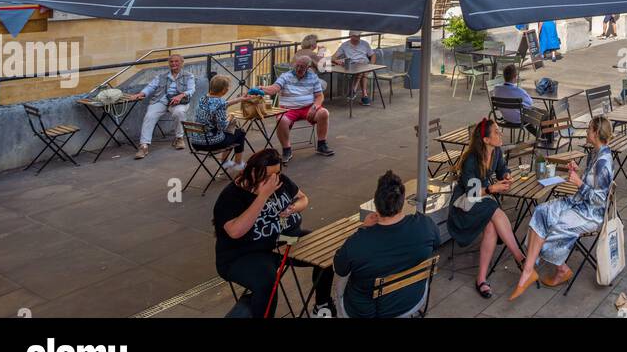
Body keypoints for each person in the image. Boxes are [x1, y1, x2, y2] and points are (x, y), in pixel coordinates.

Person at [212, 148, 332, 317]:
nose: (274, 180)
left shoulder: (278, 181)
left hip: (283, 239)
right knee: (266, 281)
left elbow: (303, 199)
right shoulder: (232, 196)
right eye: (267, 176)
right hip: (244, 253)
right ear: (253, 172)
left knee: (325, 251)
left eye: (277, 174)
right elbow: (235, 232)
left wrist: (293, 208)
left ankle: (322, 305)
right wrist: (262, 196)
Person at [509, 115, 615, 298]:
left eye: (589, 128)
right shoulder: (595, 153)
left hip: (592, 214)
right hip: (579, 203)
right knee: (541, 211)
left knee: (555, 225)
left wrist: (579, 183)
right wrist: (579, 172)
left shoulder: (604, 162)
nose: (586, 132)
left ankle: (559, 269)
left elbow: (600, 200)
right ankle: (529, 271)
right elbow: (592, 180)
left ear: (596, 133)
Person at [333, 170, 441, 318]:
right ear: (401, 202)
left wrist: (363, 228)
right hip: (412, 300)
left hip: (367, 312)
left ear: (376, 205)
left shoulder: (357, 243)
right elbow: (437, 244)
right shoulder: (425, 225)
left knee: (340, 285)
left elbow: (339, 268)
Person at [446, 118, 526, 298]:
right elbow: (472, 192)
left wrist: (506, 175)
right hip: (463, 205)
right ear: (486, 139)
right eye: (496, 132)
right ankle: (520, 258)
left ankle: (481, 279)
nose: (501, 134)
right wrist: (492, 188)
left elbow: (502, 168)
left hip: (481, 200)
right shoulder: (471, 160)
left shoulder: (496, 151)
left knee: (491, 226)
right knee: (493, 207)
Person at [261, 55, 334, 163]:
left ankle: (321, 145)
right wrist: (261, 88)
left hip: (308, 107)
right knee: (281, 120)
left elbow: (319, 96)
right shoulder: (285, 76)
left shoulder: (312, 76)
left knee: (324, 113)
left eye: (302, 67)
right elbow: (274, 89)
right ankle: (286, 150)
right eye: (297, 66)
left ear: (308, 68)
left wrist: (315, 107)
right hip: (288, 108)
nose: (299, 69)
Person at [128, 53, 196, 159]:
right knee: (149, 116)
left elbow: (191, 90)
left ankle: (179, 138)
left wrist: (181, 95)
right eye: (171, 61)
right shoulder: (161, 76)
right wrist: (140, 94)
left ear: (182, 63)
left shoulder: (188, 76)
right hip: (160, 100)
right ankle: (144, 146)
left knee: (179, 112)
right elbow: (150, 87)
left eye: (176, 61)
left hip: (179, 101)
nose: (173, 63)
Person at [191, 74, 250, 173]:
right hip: (211, 143)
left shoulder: (203, 99)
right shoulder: (220, 103)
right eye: (227, 88)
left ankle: (225, 162)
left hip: (196, 142)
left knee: (231, 133)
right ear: (224, 90)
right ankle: (238, 164)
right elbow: (223, 127)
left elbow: (222, 104)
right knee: (240, 133)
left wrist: (240, 99)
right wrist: (230, 117)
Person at [333, 32, 377, 106]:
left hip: (365, 65)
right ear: (350, 36)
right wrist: (336, 60)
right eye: (356, 36)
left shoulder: (364, 43)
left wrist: (371, 66)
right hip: (352, 66)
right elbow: (333, 57)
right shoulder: (345, 45)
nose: (358, 38)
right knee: (361, 70)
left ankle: (353, 90)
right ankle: (364, 95)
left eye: (359, 36)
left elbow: (373, 55)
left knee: (362, 69)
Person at [492, 64, 538, 136]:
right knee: (540, 114)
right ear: (515, 77)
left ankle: (540, 136)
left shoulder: (496, 89)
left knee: (528, 115)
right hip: (519, 120)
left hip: (505, 117)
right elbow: (530, 103)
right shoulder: (519, 91)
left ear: (504, 76)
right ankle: (544, 136)